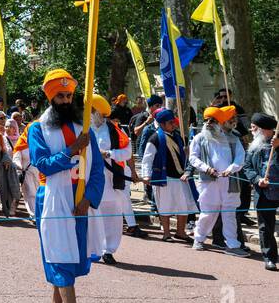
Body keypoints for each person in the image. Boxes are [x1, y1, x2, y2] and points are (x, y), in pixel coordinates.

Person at [27, 69, 100, 303]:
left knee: (72, 257)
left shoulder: (85, 129)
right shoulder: (37, 128)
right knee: (60, 256)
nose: (67, 100)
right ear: (50, 98)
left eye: (70, 95)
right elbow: (42, 163)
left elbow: (96, 172)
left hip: (79, 200)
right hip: (53, 199)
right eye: (61, 96)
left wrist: (88, 198)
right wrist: (71, 150)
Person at [188, 105, 248, 255]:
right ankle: (199, 239)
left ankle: (233, 245)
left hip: (229, 181)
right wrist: (206, 168)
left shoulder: (233, 138)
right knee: (208, 212)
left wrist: (230, 169)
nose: (208, 123)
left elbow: (240, 158)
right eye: (206, 120)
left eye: (212, 120)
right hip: (209, 181)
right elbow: (193, 158)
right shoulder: (199, 138)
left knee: (229, 213)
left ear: (220, 122)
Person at [140, 108, 197, 242]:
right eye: (170, 122)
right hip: (163, 177)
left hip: (180, 177)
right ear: (162, 124)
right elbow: (147, 158)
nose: (174, 124)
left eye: (174, 122)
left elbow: (187, 155)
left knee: (183, 206)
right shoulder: (155, 138)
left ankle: (180, 232)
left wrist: (186, 151)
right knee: (164, 205)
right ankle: (166, 233)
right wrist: (146, 175)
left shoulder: (180, 136)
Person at [87, 95, 132, 264]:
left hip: (111, 180)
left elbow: (127, 152)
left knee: (112, 216)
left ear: (99, 112)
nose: (88, 114)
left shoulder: (114, 130)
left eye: (91, 110)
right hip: (90, 180)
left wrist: (109, 154)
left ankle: (108, 250)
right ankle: (92, 249)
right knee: (91, 214)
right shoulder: (82, 129)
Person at [240, 112, 279, 271]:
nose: (251, 130)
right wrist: (257, 180)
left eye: (254, 127)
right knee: (265, 227)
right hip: (263, 193)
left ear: (265, 129)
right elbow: (247, 167)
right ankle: (269, 258)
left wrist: (277, 148)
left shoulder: (278, 143)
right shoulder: (253, 146)